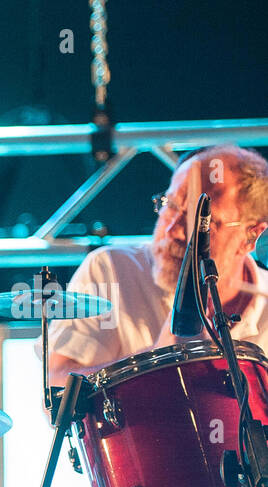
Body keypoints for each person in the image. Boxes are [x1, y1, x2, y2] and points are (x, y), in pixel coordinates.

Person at [46, 144, 268, 385]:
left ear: (251, 236)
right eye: (171, 205)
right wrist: (157, 362)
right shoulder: (111, 270)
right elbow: (56, 390)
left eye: (202, 221)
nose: (174, 230)